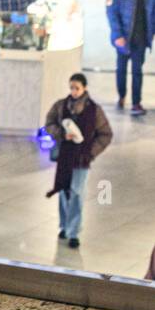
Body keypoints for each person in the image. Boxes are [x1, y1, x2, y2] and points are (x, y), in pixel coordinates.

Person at [43, 73, 112, 248]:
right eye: (71, 88)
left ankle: (74, 231)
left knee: (77, 193)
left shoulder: (94, 110)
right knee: (64, 190)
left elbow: (105, 134)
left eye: (77, 88)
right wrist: (61, 134)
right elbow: (49, 123)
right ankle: (64, 226)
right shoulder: (61, 106)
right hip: (65, 157)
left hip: (82, 158)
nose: (73, 91)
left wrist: (91, 152)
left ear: (84, 88)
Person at [105, 0, 155, 115]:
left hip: (141, 39)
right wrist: (117, 35)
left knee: (137, 70)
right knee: (121, 69)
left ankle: (136, 102)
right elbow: (111, 13)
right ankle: (121, 95)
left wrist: (152, 32)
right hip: (123, 39)